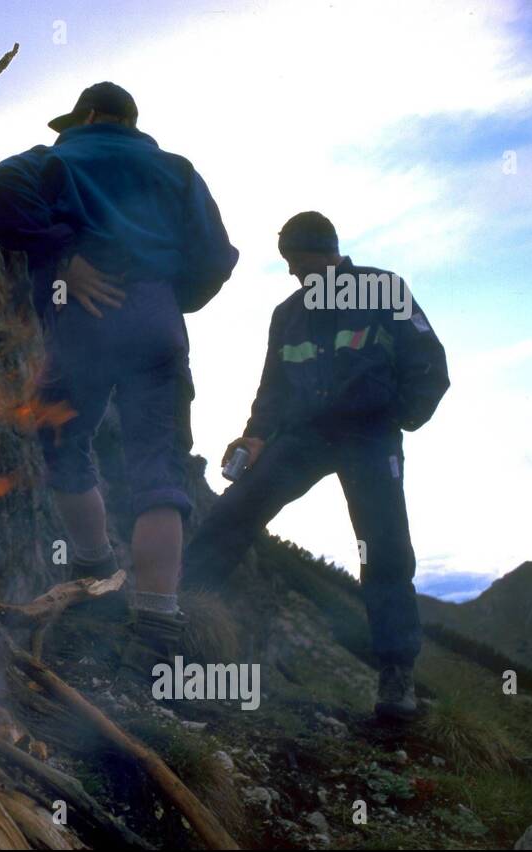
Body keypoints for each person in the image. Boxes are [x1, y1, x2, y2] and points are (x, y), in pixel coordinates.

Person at [0, 81, 238, 654]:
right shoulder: (176, 170)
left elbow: (3, 186)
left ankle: (95, 572)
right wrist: (172, 297)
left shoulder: (54, 158)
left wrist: (61, 257)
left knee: (64, 439)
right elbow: (218, 256)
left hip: (83, 317)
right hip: (156, 321)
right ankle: (157, 623)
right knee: (161, 465)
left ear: (91, 115)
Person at [182, 211, 449, 720]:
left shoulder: (382, 289)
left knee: (385, 548)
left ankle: (396, 680)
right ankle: (174, 616)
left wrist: (397, 416)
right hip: (302, 438)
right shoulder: (289, 313)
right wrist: (257, 436)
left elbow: (430, 363)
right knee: (234, 513)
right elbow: (273, 387)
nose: (290, 273)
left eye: (295, 261)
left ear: (324, 252)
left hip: (369, 438)